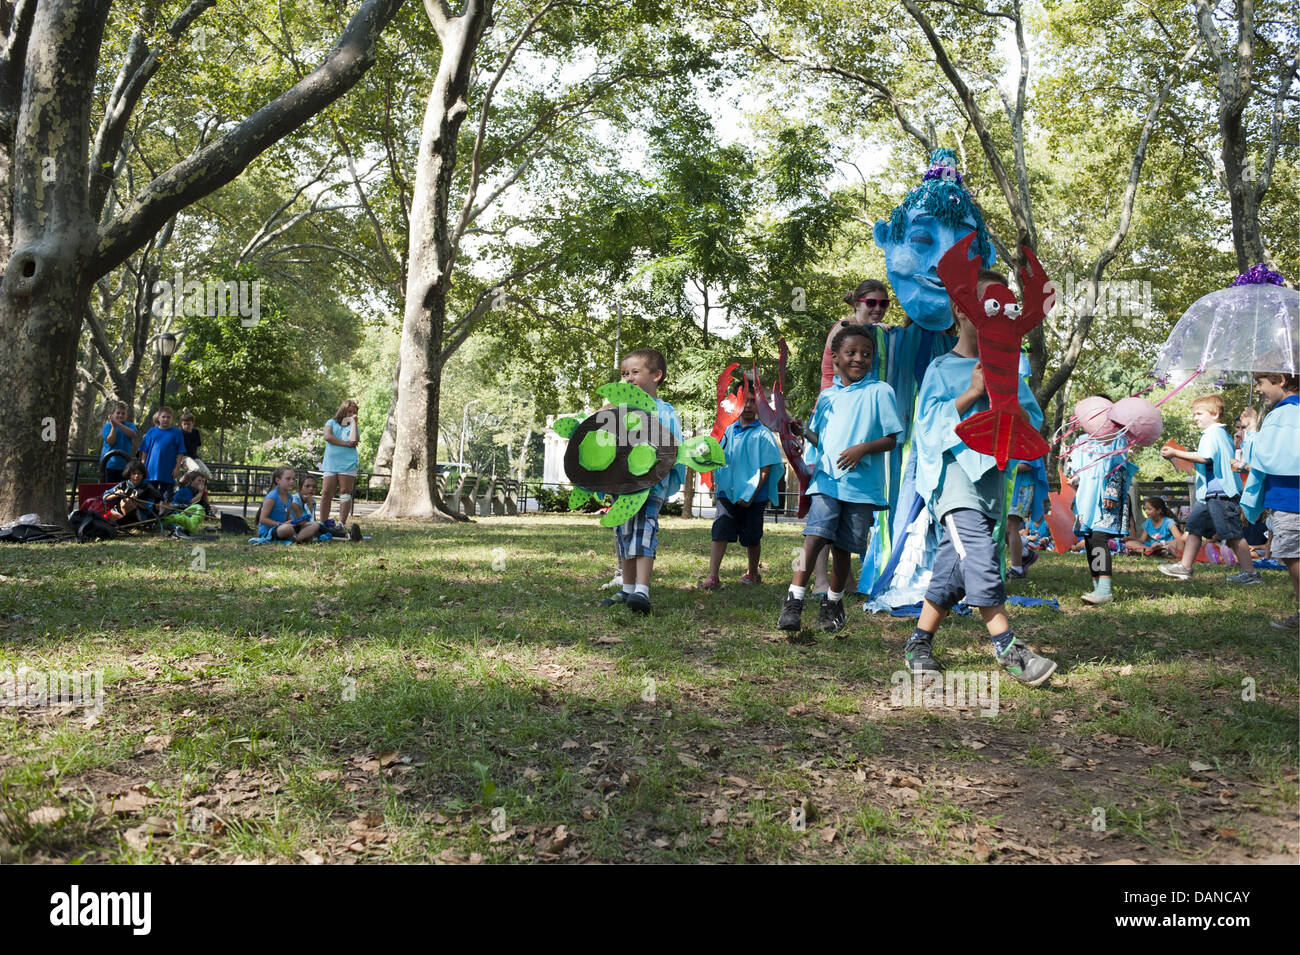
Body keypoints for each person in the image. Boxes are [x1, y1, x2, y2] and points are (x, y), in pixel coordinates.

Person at [903, 267, 1057, 685]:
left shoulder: (1011, 367)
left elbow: (1031, 421)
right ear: (961, 310)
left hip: (991, 483)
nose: (999, 315)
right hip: (952, 479)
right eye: (989, 305)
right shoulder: (940, 368)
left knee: (954, 569)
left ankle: (918, 643)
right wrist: (971, 392)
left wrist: (1008, 399)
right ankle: (1008, 648)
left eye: (1006, 306)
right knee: (980, 556)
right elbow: (928, 428)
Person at [778, 326, 902, 637]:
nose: (859, 358)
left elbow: (890, 439)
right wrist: (803, 431)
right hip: (827, 482)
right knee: (815, 537)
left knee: (845, 548)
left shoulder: (880, 392)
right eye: (852, 353)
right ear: (835, 357)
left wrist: (863, 448)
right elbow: (823, 440)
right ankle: (794, 601)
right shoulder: (827, 396)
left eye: (866, 354)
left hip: (861, 489)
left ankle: (833, 604)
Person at [598, 348, 684, 615]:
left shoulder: (664, 411)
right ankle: (627, 587)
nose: (629, 378)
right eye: (625, 373)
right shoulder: (618, 410)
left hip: (649, 486)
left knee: (643, 532)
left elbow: (672, 447)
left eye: (635, 372)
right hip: (622, 486)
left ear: (656, 375)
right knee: (624, 534)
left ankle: (642, 590)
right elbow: (602, 441)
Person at [1159, 393, 1258, 583]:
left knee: (1232, 534)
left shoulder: (1213, 433)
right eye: (1194, 414)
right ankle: (1185, 567)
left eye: (1199, 413)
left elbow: (1205, 458)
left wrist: (1175, 452)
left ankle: (1250, 573)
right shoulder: (1217, 433)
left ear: (1215, 414)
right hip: (1208, 494)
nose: (1195, 417)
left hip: (1221, 493)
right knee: (1194, 527)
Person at [700, 378, 783, 589]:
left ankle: (753, 573)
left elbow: (767, 468)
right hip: (727, 493)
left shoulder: (763, 435)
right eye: (743, 400)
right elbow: (718, 457)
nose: (747, 406)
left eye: (752, 401)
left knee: (751, 536)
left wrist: (751, 495)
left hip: (754, 498)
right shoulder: (728, 431)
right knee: (720, 529)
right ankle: (713, 576)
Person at [1238, 372, 1299, 630]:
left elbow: (1263, 458)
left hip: (1289, 499)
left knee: (1293, 556)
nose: (1259, 390)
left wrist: (1252, 430)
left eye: (1261, 383)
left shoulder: (1283, 414)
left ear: (1280, 380)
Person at [1068, 404, 1138, 605]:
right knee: (1089, 540)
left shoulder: (1117, 439)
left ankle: (1105, 589)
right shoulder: (1082, 441)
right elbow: (1078, 470)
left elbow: (1119, 467)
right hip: (1086, 499)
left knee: (1099, 538)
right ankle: (1097, 587)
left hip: (1106, 499)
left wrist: (1112, 492)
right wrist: (1074, 481)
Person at [320, 400, 363, 537]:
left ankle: (341, 524)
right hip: (331, 463)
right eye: (350, 411)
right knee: (327, 492)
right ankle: (323, 523)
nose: (352, 414)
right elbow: (328, 437)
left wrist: (353, 423)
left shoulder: (354, 427)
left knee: (345, 492)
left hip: (348, 464)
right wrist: (345, 444)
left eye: (355, 412)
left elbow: (354, 441)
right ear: (343, 411)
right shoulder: (331, 423)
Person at [1006, 457, 1049, 579]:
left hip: (1022, 488)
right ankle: (1025, 554)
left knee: (1010, 526)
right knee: (1004, 528)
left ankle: (1017, 569)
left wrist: (1001, 466)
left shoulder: (1026, 439)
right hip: (1008, 486)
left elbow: (1029, 465)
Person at [258, 466, 320, 543]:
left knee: (314, 525)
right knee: (286, 528)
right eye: (288, 479)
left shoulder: (289, 497)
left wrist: (296, 521)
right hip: (271, 530)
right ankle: (299, 538)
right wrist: (280, 524)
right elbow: (262, 519)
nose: (292, 481)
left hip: (286, 526)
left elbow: (287, 517)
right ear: (278, 480)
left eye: (293, 479)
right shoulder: (272, 497)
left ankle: (296, 538)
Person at [137, 406, 187, 501]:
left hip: (168, 471)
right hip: (151, 471)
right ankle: (152, 515)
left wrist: (177, 468)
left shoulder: (177, 433)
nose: (165, 419)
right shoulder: (151, 431)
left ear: (171, 418)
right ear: (158, 418)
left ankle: (163, 514)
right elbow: (144, 450)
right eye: (163, 417)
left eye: (168, 417)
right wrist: (143, 465)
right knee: (149, 498)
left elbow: (180, 452)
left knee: (166, 498)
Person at [100, 402, 138, 482]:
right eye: (118, 413)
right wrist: (114, 426)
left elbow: (133, 434)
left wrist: (117, 423)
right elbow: (111, 441)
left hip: (125, 465)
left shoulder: (130, 425)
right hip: (109, 465)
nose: (120, 415)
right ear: (112, 414)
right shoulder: (108, 426)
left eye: (123, 413)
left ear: (126, 415)